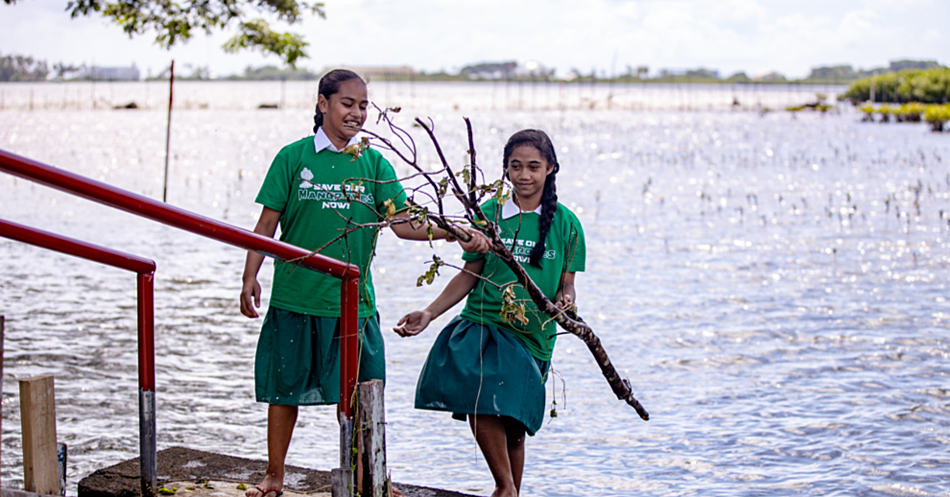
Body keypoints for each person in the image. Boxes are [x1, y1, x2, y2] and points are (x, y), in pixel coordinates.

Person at [239, 68, 489, 497]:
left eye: (363, 106)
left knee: (363, 395)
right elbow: (266, 224)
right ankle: (274, 475)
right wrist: (250, 276)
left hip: (355, 304)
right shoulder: (294, 157)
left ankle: (373, 476)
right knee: (284, 391)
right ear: (322, 104)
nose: (356, 113)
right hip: (295, 295)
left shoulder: (373, 162)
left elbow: (402, 222)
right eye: (346, 103)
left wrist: (452, 230)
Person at [393, 129, 585, 497]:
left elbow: (566, 284)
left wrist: (566, 299)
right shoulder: (489, 213)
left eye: (533, 167)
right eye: (515, 167)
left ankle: (511, 491)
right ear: (505, 170)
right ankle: (504, 487)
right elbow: (470, 274)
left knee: (514, 424)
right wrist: (430, 313)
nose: (524, 175)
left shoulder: (567, 224)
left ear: (551, 168)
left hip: (535, 335)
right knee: (480, 400)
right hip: (485, 322)